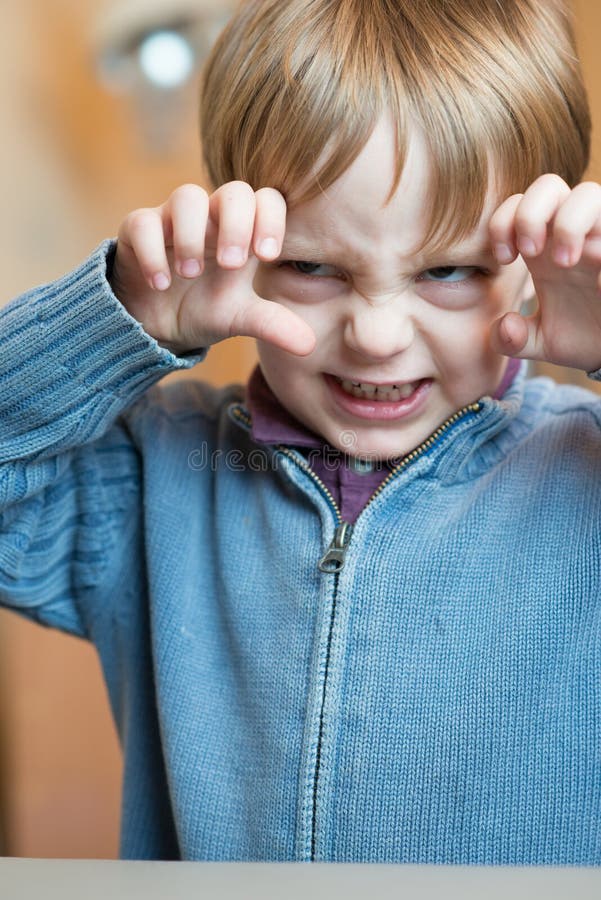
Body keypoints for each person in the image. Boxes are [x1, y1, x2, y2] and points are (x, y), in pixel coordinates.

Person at [1, 0, 600, 864]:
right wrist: (119, 320)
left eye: (451, 271)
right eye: (312, 267)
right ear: (238, 240)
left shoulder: (581, 473)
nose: (376, 334)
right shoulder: (152, 483)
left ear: (531, 267)